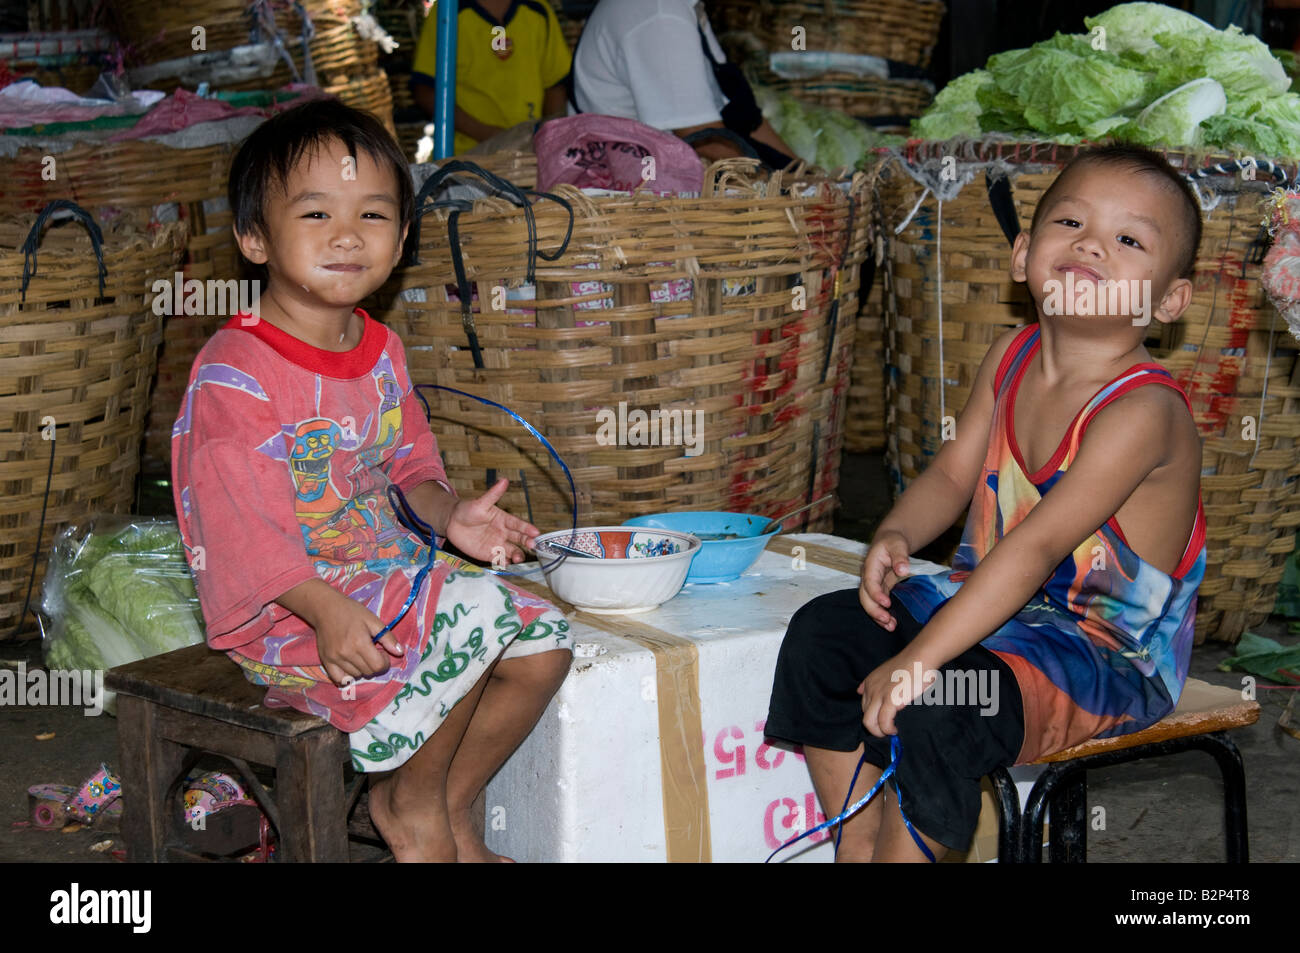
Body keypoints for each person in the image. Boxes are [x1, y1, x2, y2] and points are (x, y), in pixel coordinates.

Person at [766, 143, 1206, 862]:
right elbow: (950, 476)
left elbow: (1032, 550)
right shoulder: (1008, 356)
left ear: (1168, 301)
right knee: (825, 633)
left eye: (1128, 239)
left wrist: (919, 661)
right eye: (1070, 222)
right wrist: (895, 534)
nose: (1091, 243)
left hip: (1099, 654)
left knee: (942, 695)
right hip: (993, 609)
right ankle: (859, 845)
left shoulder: (1144, 412)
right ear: (1024, 253)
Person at [172, 99, 573, 862]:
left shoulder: (380, 347)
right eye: (316, 212)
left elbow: (407, 468)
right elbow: (241, 533)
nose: (348, 235)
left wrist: (450, 516)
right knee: (479, 610)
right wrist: (325, 607)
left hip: (379, 574)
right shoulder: (238, 374)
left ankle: (437, 802)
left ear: (401, 235)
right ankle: (411, 806)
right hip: (291, 609)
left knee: (543, 636)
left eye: (374, 214)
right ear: (254, 238)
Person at [570, 0, 796, 167]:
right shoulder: (660, 14)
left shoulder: (684, 7)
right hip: (633, 198)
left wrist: (802, 173)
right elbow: (705, 141)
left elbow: (746, 118)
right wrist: (785, 188)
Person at [410, 0, 572, 154]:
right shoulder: (449, 11)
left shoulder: (538, 9)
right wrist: (492, 136)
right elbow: (426, 90)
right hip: (465, 155)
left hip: (528, 153)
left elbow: (555, 84)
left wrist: (549, 140)